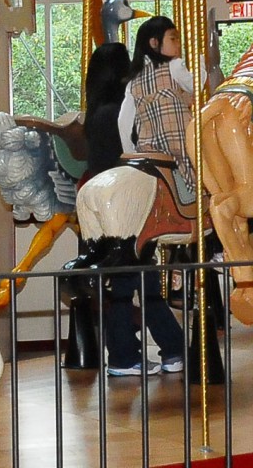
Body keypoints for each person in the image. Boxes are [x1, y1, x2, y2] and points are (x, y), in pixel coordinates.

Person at [84, 41, 185, 377]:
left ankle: (139, 351)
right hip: (129, 198)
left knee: (128, 280)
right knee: (138, 277)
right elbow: (139, 149)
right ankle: (156, 350)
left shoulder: (95, 112)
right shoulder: (122, 110)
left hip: (102, 192)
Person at [118, 16, 200, 192]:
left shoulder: (134, 81)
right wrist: (201, 62)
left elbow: (123, 122)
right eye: (173, 38)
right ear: (154, 42)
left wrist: (130, 153)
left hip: (149, 150)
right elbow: (196, 85)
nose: (178, 44)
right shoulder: (174, 66)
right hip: (181, 145)